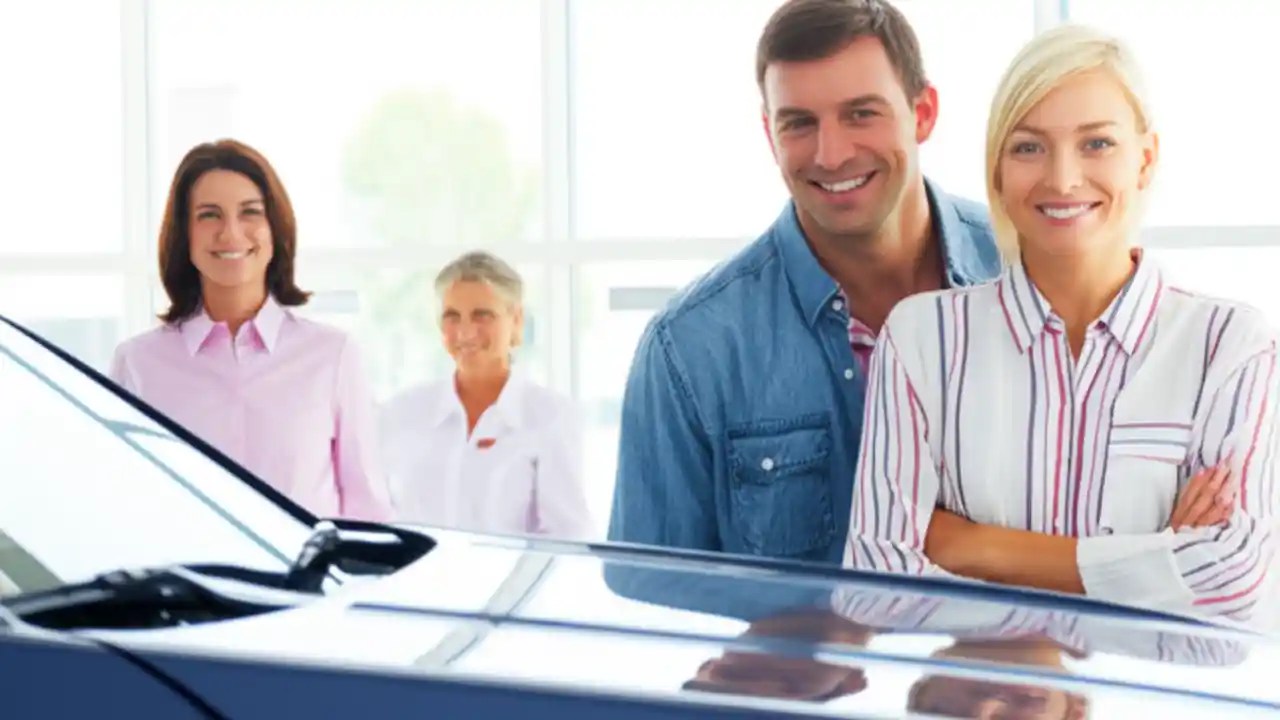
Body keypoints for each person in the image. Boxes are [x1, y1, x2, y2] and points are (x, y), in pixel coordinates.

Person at [845, 24, 1280, 627]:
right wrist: (1154, 563)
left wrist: (976, 548)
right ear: (996, 170)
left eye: (1097, 144)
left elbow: (1235, 580)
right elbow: (876, 585)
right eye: (1028, 147)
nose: (1063, 179)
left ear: (1145, 159)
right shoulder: (923, 341)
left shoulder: (1228, 345)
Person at [609, 0, 1001, 564]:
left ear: (923, 112)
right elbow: (647, 592)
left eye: (862, 113)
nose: (832, 153)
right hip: (790, 657)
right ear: (770, 134)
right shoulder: (688, 350)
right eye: (799, 123)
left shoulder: (1028, 273)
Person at [110, 139, 391, 521]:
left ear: (275, 228)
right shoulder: (137, 365)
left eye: (250, 213)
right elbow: (125, 504)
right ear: (184, 235)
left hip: (305, 581)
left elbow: (367, 510)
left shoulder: (333, 356)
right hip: (185, 580)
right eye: (209, 215)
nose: (231, 233)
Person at [380, 251, 593, 539]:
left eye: (483, 315)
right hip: (416, 582)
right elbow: (377, 517)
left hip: (510, 584)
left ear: (516, 321)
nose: (466, 331)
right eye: (452, 316)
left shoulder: (550, 417)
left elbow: (569, 538)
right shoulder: (402, 413)